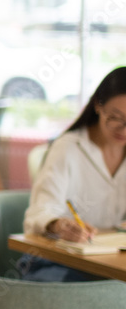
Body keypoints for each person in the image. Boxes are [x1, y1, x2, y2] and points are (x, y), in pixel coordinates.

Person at [21, 66, 126, 281]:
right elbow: (38, 213)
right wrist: (59, 225)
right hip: (58, 261)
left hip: (109, 262)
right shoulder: (68, 149)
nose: (123, 130)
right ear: (98, 105)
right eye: (115, 117)